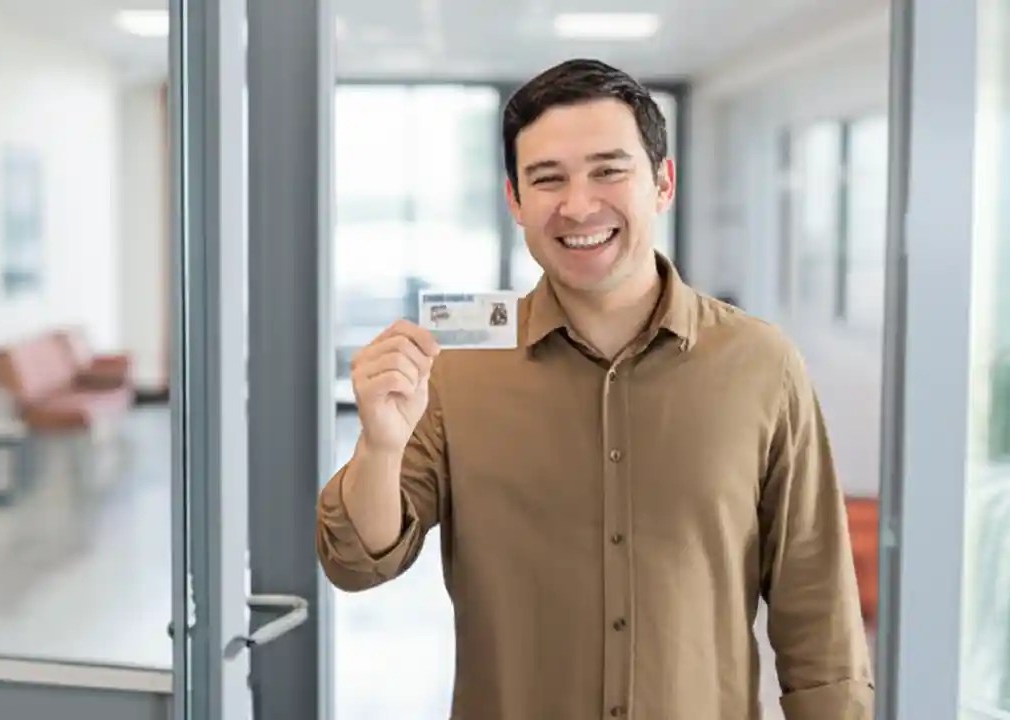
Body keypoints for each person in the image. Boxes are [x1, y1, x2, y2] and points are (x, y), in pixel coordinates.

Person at [317, 58, 873, 719]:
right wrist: (380, 446)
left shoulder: (762, 364)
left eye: (609, 170)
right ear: (515, 202)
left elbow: (818, 609)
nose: (578, 205)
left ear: (662, 183)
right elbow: (357, 562)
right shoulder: (459, 370)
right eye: (547, 179)